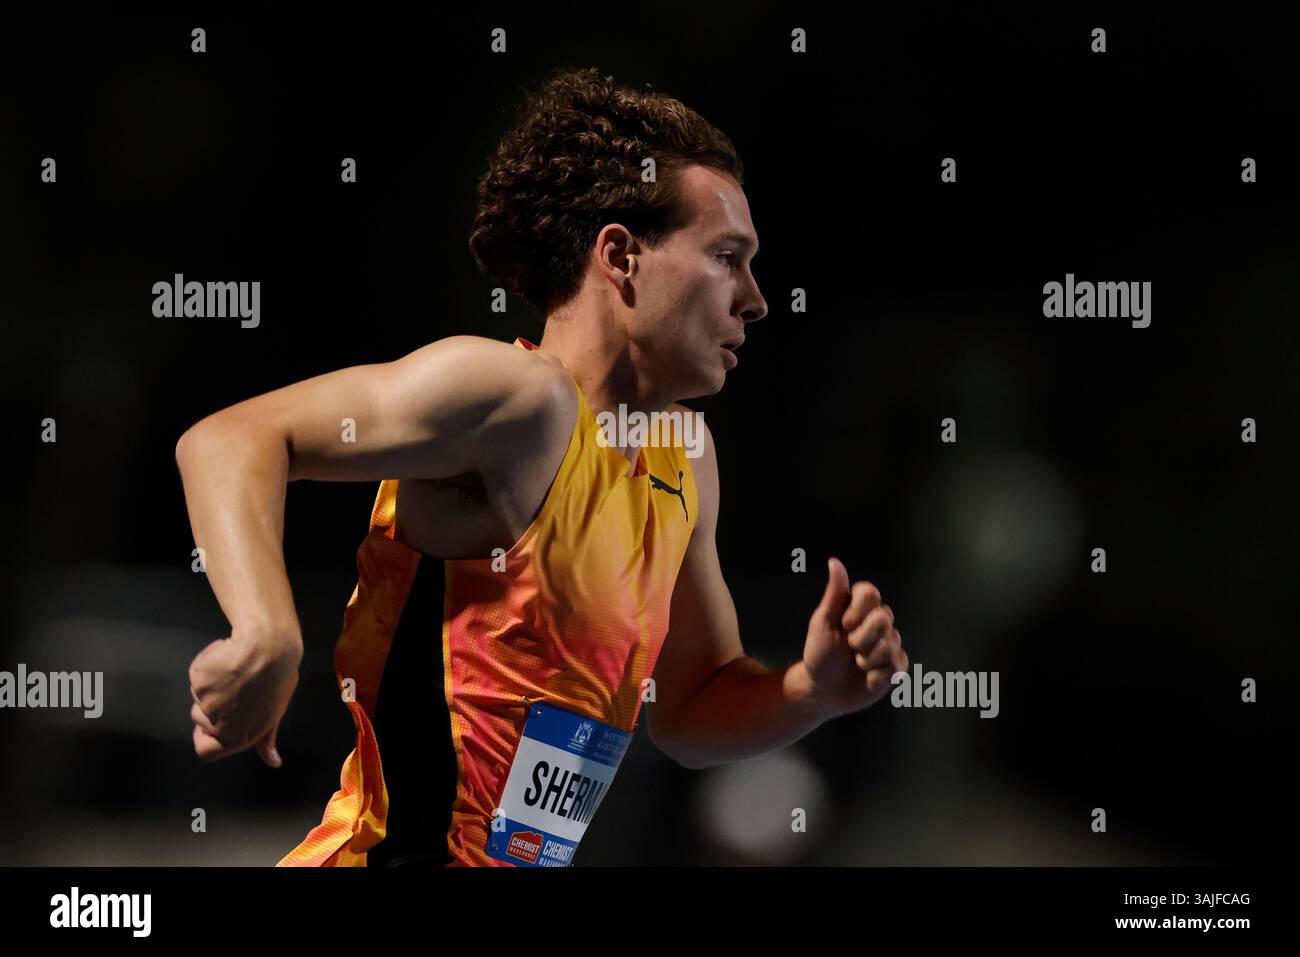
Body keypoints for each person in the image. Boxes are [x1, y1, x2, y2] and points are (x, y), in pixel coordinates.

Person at [174, 67, 908, 867]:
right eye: (727, 256)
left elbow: (692, 707)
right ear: (621, 254)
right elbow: (232, 438)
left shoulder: (685, 457)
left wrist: (810, 690)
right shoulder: (518, 401)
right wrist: (268, 631)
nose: (755, 298)